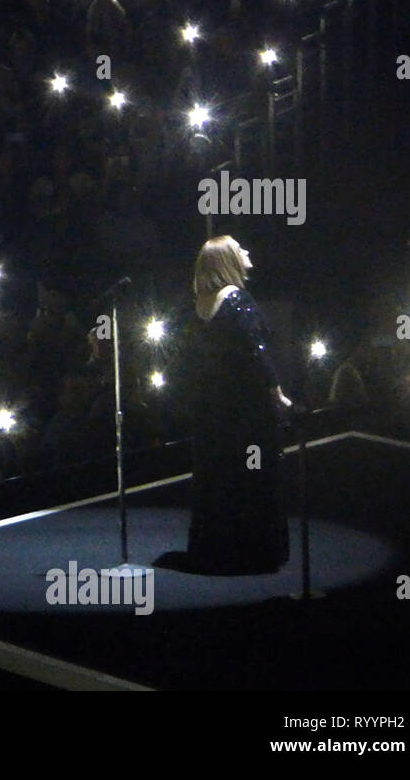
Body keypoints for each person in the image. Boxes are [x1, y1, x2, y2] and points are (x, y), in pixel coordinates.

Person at [162, 236, 292, 574]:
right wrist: (275, 391)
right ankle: (254, 548)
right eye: (240, 249)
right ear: (226, 260)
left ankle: (220, 546)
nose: (247, 251)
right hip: (245, 407)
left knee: (220, 476)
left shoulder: (199, 305)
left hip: (213, 408)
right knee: (252, 472)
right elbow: (255, 349)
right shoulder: (235, 299)